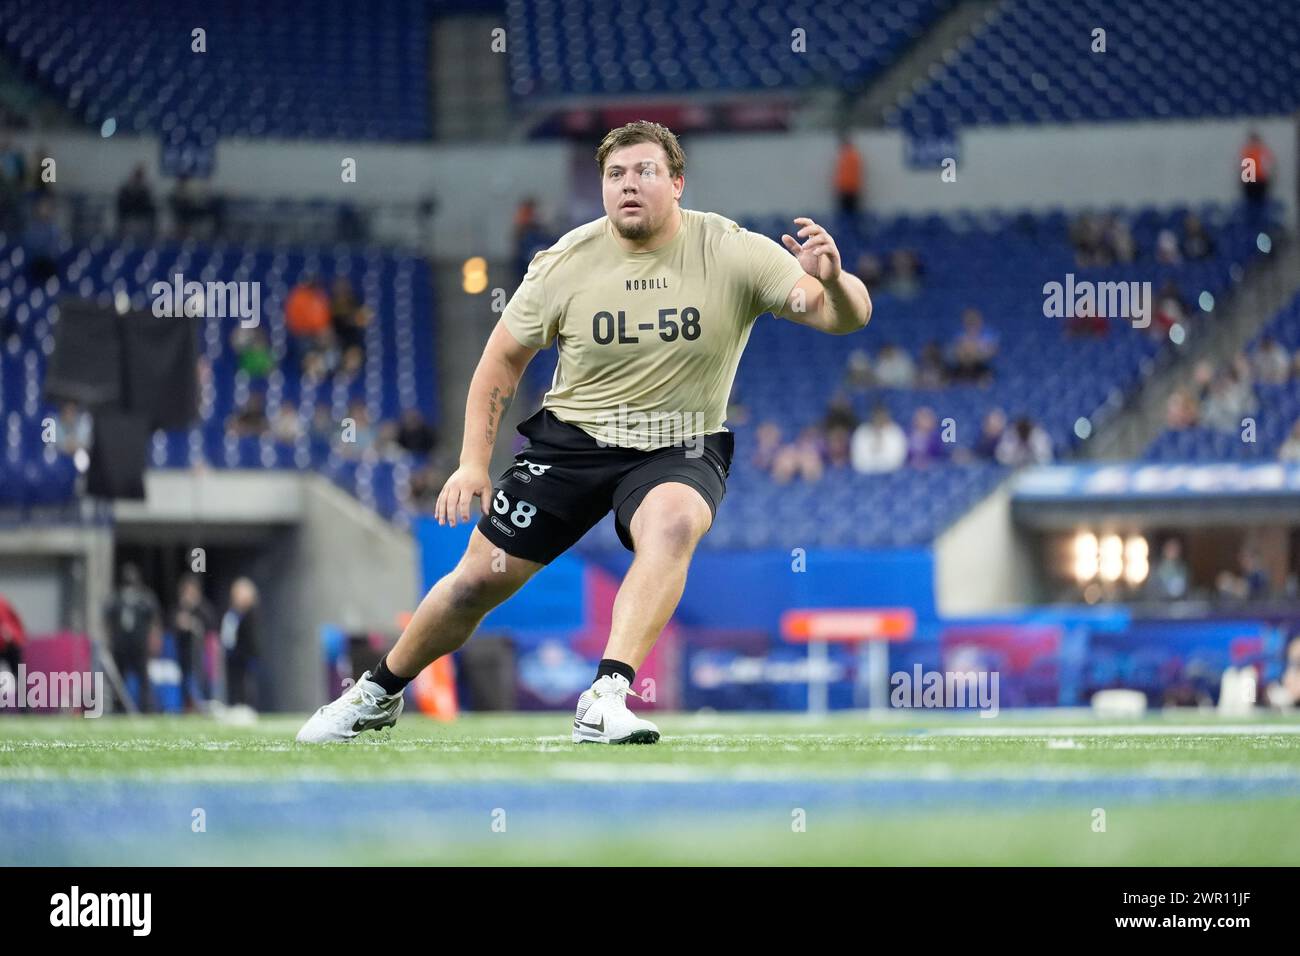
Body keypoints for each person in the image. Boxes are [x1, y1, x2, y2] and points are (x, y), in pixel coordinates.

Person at [297, 120, 873, 744]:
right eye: (615, 174)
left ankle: (606, 695)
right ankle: (377, 691)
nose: (629, 184)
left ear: (677, 182)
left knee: (675, 521)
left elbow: (842, 317)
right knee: (476, 581)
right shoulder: (566, 262)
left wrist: (835, 280)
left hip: (679, 440)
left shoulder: (732, 249)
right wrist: (471, 463)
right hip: (573, 442)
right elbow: (500, 362)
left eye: (645, 171)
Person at [104, 563, 161, 713]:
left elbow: (155, 620)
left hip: (139, 645)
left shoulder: (145, 598)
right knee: (118, 680)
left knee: (143, 679)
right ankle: (118, 709)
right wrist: (109, 640)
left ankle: (146, 709)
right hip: (120, 645)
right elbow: (107, 621)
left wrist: (154, 640)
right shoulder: (116, 597)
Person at [172, 575, 215, 711]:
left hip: (200, 653)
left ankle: (203, 706)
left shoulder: (203, 608)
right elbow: (170, 623)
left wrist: (193, 623)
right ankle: (186, 707)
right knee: (184, 682)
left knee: (201, 681)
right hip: (182, 652)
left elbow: (210, 625)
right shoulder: (179, 608)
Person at [220, 578, 260, 709]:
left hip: (245, 655)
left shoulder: (250, 615)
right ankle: (235, 705)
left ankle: (246, 706)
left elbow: (251, 638)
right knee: (234, 682)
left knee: (246, 683)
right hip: (232, 654)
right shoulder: (231, 614)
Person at [850, 405, 906, 474]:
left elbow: (898, 459)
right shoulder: (862, 432)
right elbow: (857, 460)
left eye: (881, 416)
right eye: (877, 417)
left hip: (891, 474)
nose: (879, 419)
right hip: (866, 474)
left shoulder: (895, 432)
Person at [116, 164, 157, 238]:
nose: (138, 177)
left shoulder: (145, 186)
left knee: (153, 210)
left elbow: (149, 199)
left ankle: (152, 233)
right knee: (121, 208)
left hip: (141, 208)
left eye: (140, 175)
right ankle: (120, 232)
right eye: (137, 175)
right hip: (130, 207)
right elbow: (122, 197)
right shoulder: (128, 185)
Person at [833, 134, 863, 217]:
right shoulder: (854, 156)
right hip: (851, 188)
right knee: (851, 213)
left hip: (847, 189)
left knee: (847, 213)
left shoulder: (845, 157)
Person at [0, 592, 25, 677]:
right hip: (4, 643)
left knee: (18, 671)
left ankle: (23, 689)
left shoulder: (2, 603)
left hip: (11, 643)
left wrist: (19, 637)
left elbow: (15, 620)